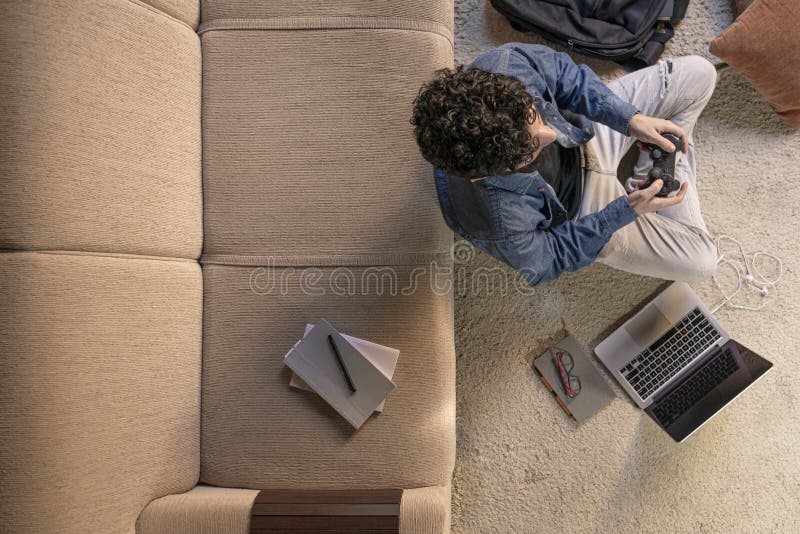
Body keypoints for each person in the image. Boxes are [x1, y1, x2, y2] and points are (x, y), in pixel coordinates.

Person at [410, 43, 719, 286]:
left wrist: (630, 120)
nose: (549, 133)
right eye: (533, 147)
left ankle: (657, 161)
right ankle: (660, 167)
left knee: (701, 73)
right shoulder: (498, 221)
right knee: (703, 263)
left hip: (587, 130)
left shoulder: (504, 65)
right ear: (484, 178)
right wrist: (624, 212)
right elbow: (550, 259)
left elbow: (565, 76)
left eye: (535, 115)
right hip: (583, 209)